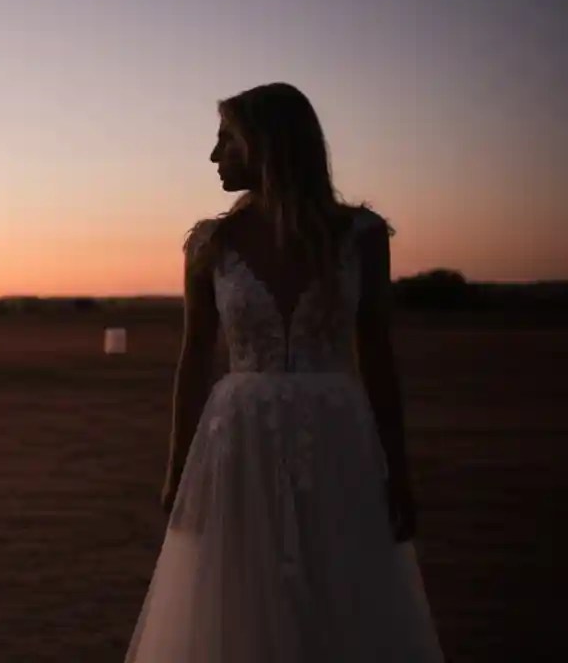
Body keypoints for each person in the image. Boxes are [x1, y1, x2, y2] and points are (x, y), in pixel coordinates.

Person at [124, 83, 445, 661]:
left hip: (337, 437)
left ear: (267, 144)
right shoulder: (210, 244)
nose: (214, 155)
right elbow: (194, 358)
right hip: (239, 437)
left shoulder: (361, 236)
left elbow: (377, 355)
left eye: (227, 140)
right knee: (241, 591)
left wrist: (398, 471)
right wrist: (177, 470)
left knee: (337, 590)